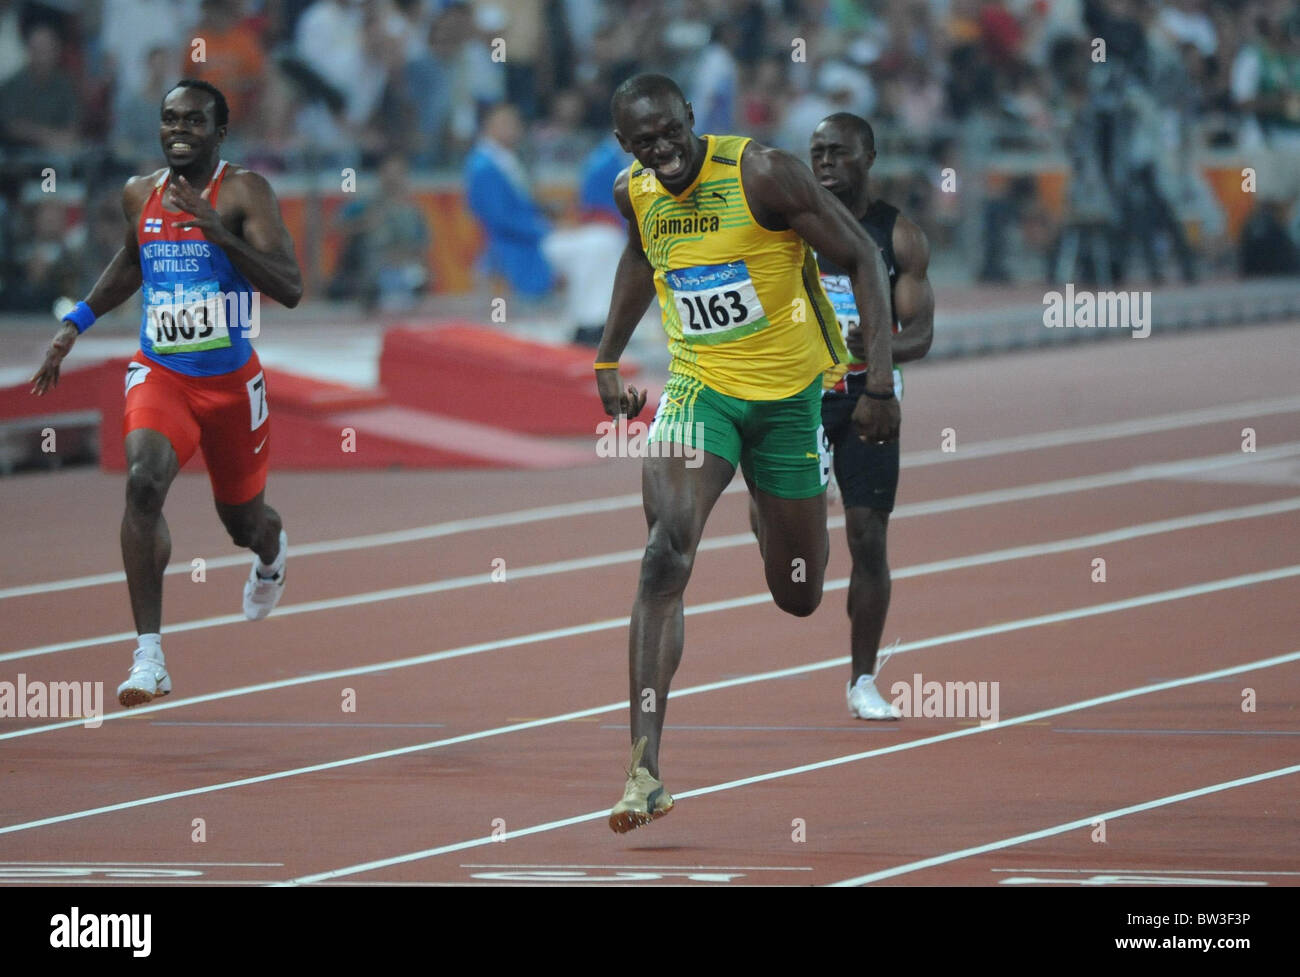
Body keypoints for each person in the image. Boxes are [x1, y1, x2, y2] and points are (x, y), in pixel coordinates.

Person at [594, 74, 898, 832]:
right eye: (642, 143)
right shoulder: (635, 189)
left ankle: (775, 509)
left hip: (791, 399)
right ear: (624, 147)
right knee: (665, 552)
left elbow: (861, 255)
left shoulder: (760, 172)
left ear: (691, 119)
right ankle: (644, 767)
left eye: (669, 133)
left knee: (799, 594)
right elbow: (641, 258)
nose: (659, 151)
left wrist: (881, 386)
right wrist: (607, 358)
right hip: (700, 391)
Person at [29, 79, 303, 708]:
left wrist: (219, 232)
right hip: (163, 374)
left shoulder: (243, 192)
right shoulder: (139, 194)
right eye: (169, 119)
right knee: (143, 481)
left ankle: (271, 551)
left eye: (195, 121)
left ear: (220, 131)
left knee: (242, 522)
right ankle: (148, 657)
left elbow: (290, 285)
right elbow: (133, 262)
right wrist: (74, 324)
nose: (180, 129)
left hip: (231, 386)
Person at [789, 112, 934, 720]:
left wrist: (872, 351)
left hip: (868, 399)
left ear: (868, 156)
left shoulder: (898, 235)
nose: (824, 163)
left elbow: (921, 333)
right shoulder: (787, 227)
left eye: (838, 152)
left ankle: (862, 680)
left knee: (868, 536)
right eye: (816, 152)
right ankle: (796, 534)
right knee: (788, 548)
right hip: (794, 398)